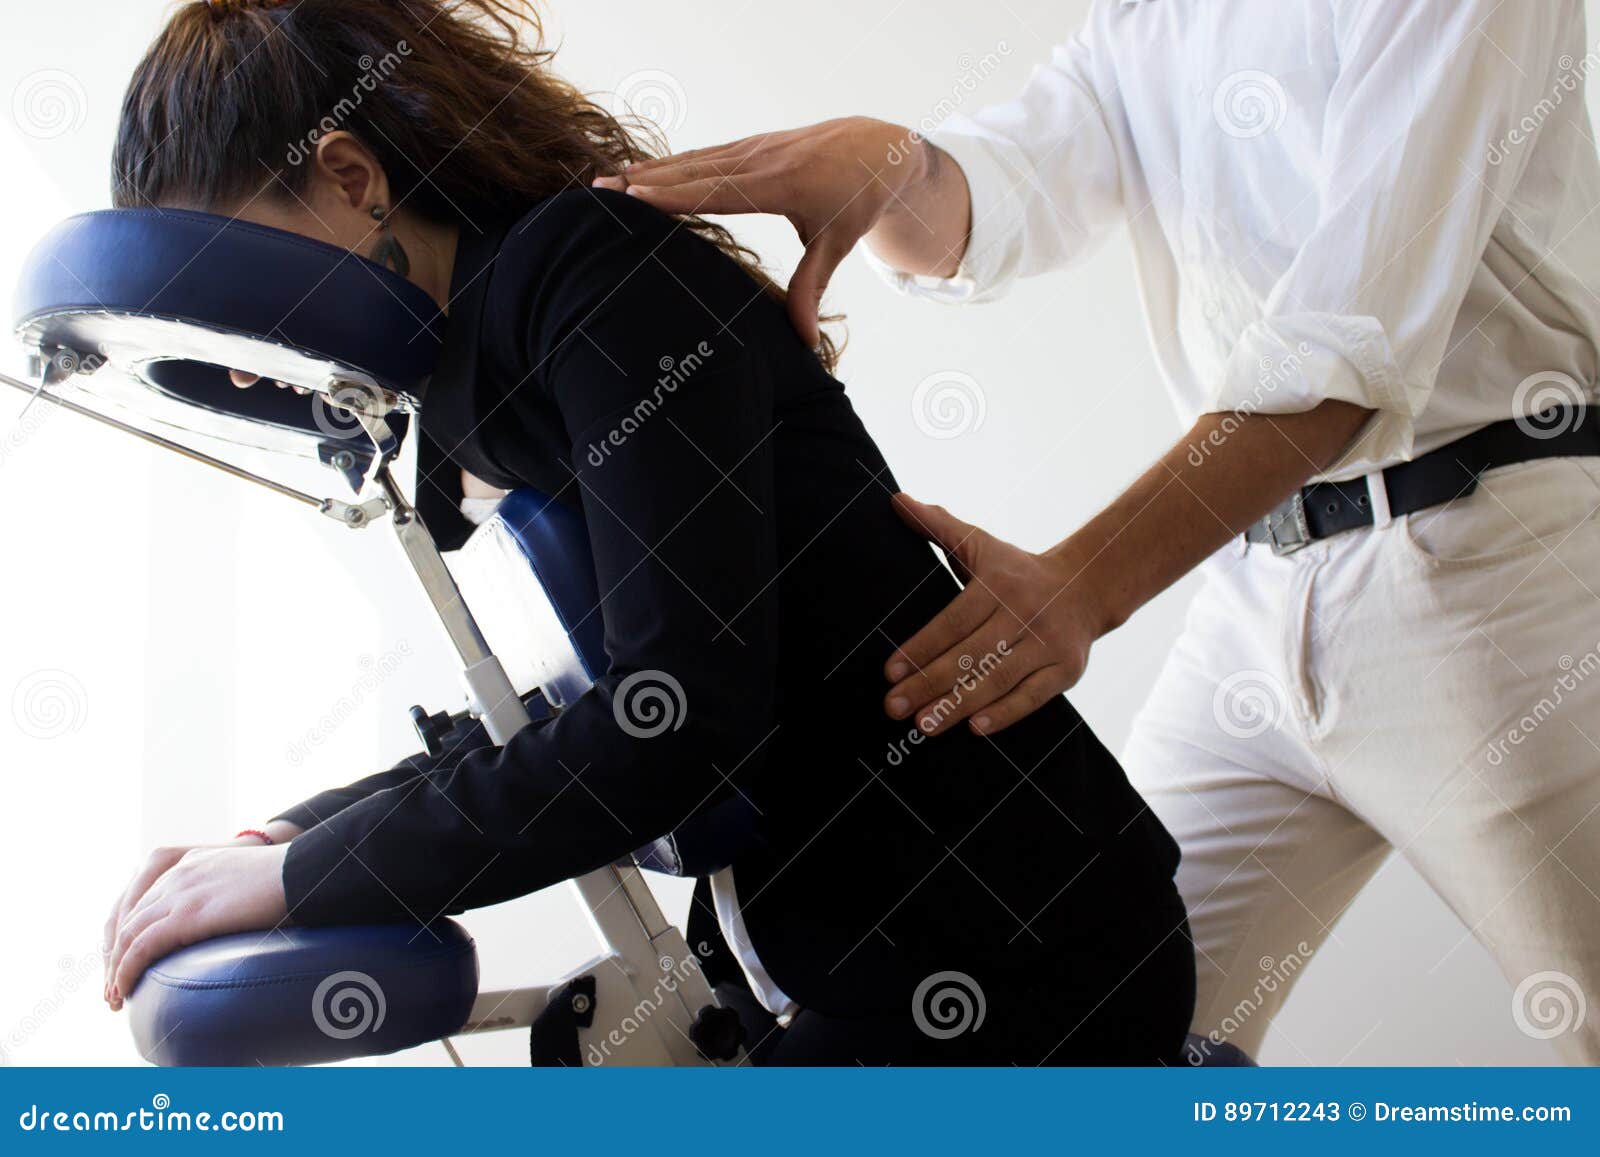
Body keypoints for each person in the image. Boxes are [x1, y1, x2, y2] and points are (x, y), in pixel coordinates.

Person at [97, 0, 1194, 1066]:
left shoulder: (596, 280)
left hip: (1017, 955)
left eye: (236, 284)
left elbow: (673, 719)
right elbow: (557, 704)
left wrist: (306, 878)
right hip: (830, 961)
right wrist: (283, 842)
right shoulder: (465, 398)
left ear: (350, 178)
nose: (239, 360)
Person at [611, 0, 1600, 1062]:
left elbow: (1340, 352)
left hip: (1494, 579)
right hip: (1255, 597)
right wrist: (888, 167)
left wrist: (1078, 584)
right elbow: (1007, 190)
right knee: (1092, 1033)